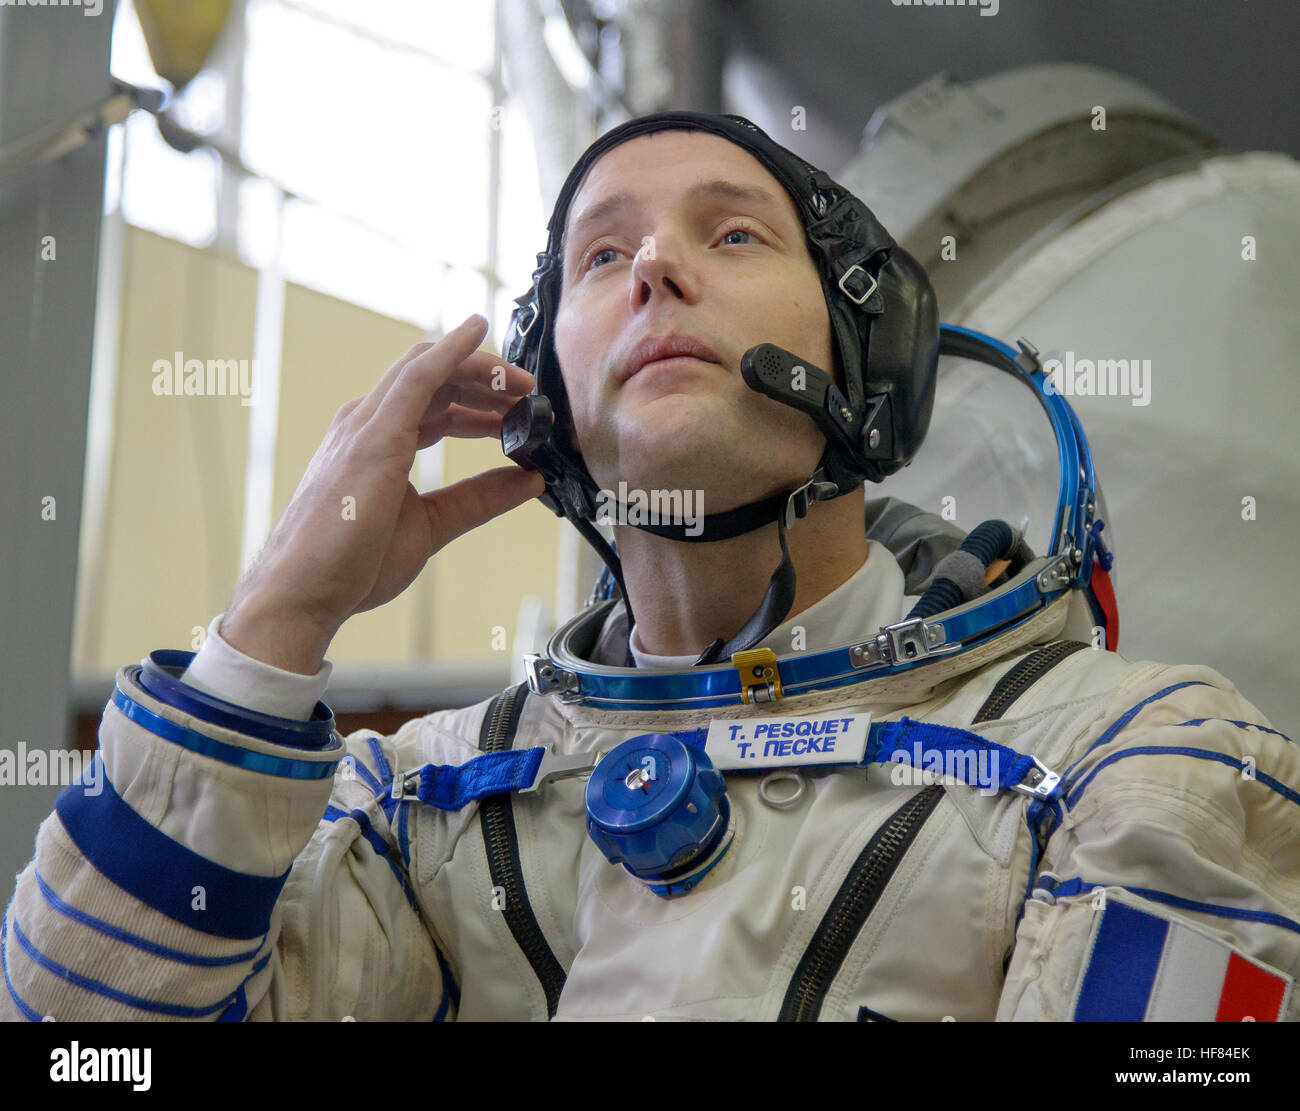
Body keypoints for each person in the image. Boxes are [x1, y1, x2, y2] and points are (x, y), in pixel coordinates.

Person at [4, 112, 1296, 1022]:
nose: (656, 270)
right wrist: (278, 617)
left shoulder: (1138, 756)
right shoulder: (424, 808)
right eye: (601, 256)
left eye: (733, 238)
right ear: (546, 398)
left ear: (872, 359)